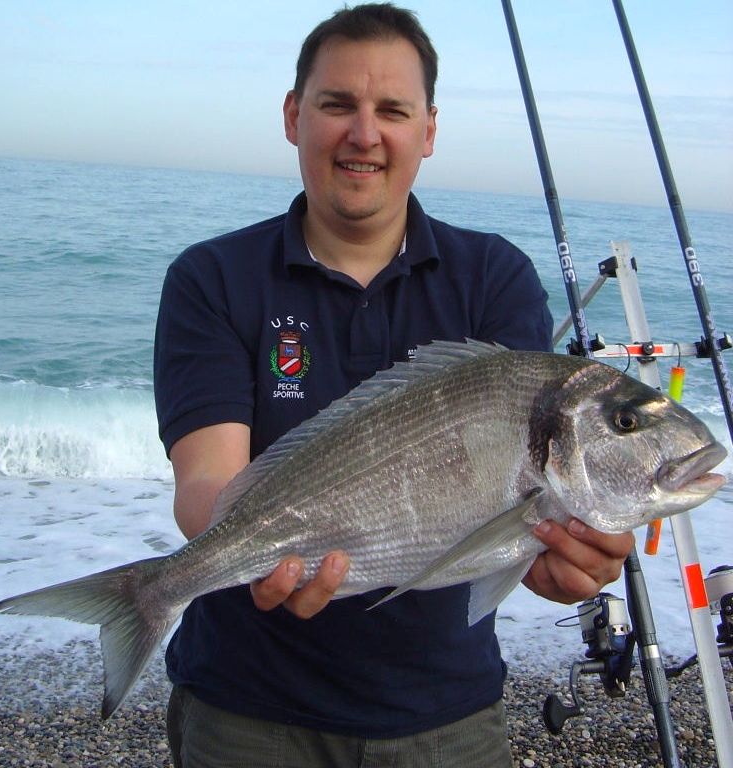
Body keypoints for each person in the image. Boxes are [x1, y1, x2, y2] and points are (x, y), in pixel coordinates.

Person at [153, 4, 634, 766]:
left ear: (429, 131)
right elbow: (207, 478)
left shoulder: (493, 276)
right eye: (337, 104)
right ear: (294, 115)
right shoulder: (212, 278)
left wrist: (559, 555)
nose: (364, 134)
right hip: (245, 711)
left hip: (445, 715)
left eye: (393, 111)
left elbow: (522, 501)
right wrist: (246, 550)